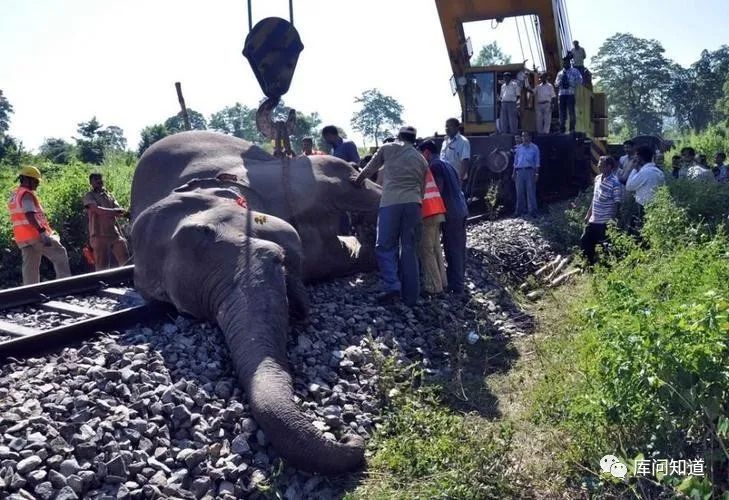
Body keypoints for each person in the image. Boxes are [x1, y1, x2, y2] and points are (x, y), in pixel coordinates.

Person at [352, 125, 428, 306]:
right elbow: (422, 190)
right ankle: (411, 297)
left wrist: (357, 181)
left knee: (385, 246)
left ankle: (393, 285)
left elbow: (369, 169)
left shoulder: (388, 148)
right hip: (413, 205)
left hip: (391, 204)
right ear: (413, 140)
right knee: (409, 249)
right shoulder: (421, 159)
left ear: (398, 136)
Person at [418, 140, 468, 295]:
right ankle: (458, 280)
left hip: (451, 212)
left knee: (452, 248)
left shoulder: (434, 166)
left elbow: (437, 190)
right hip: (461, 209)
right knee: (459, 247)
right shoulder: (448, 164)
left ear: (426, 153)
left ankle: (457, 285)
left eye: (421, 154)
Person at [7, 166, 71, 285]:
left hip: (22, 238)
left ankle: (30, 292)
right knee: (60, 253)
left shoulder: (15, 195)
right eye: (35, 181)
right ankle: (65, 285)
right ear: (26, 179)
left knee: (30, 266)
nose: (37, 184)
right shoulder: (27, 194)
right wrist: (42, 232)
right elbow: (30, 214)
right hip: (35, 234)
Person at [83, 173, 130, 270]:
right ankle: (102, 285)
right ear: (91, 183)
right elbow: (97, 210)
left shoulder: (109, 195)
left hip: (114, 233)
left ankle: (129, 282)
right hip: (98, 235)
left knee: (126, 262)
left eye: (100, 179)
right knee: (102, 267)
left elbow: (119, 210)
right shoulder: (89, 196)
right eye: (96, 179)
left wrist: (127, 214)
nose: (99, 181)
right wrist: (115, 212)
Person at [581, 156, 621, 264]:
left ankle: (606, 267)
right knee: (585, 241)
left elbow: (617, 203)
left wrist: (612, 221)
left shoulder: (615, 183)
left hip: (604, 221)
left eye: (601, 165)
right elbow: (594, 198)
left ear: (609, 166)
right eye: (598, 164)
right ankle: (589, 265)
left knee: (605, 246)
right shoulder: (598, 178)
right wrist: (588, 214)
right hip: (594, 219)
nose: (598, 166)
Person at [418, 167, 447, 295]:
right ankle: (442, 281)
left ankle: (434, 287)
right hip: (437, 209)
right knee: (436, 249)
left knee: (426, 250)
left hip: (427, 212)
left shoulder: (413, 167)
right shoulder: (422, 165)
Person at [625, 145, 665, 231]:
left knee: (638, 235)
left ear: (639, 158)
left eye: (636, 156)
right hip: (657, 207)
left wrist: (635, 169)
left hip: (643, 208)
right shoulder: (659, 172)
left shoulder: (644, 172)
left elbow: (629, 186)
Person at [512, 130, 540, 218]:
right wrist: (514, 173)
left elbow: (537, 162)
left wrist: (536, 174)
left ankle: (533, 211)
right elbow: (515, 161)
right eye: (523, 136)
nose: (524, 138)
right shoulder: (519, 148)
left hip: (530, 170)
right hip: (519, 171)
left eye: (526, 136)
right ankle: (519, 210)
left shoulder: (534, 148)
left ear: (530, 137)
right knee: (519, 191)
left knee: (530, 191)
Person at [554, 57, 583, 133]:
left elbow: (580, 81)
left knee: (571, 112)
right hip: (561, 95)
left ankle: (572, 128)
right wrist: (560, 81)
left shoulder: (575, 71)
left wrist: (572, 83)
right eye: (564, 63)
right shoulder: (560, 73)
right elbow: (556, 84)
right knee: (562, 113)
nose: (565, 64)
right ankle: (562, 129)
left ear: (569, 63)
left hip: (570, 94)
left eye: (566, 62)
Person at [440, 118, 471, 183]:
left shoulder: (463, 142)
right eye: (446, 126)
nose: (447, 129)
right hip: (445, 179)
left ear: (457, 127)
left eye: (450, 126)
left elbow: (465, 161)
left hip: (456, 180)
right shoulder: (445, 142)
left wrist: (460, 179)